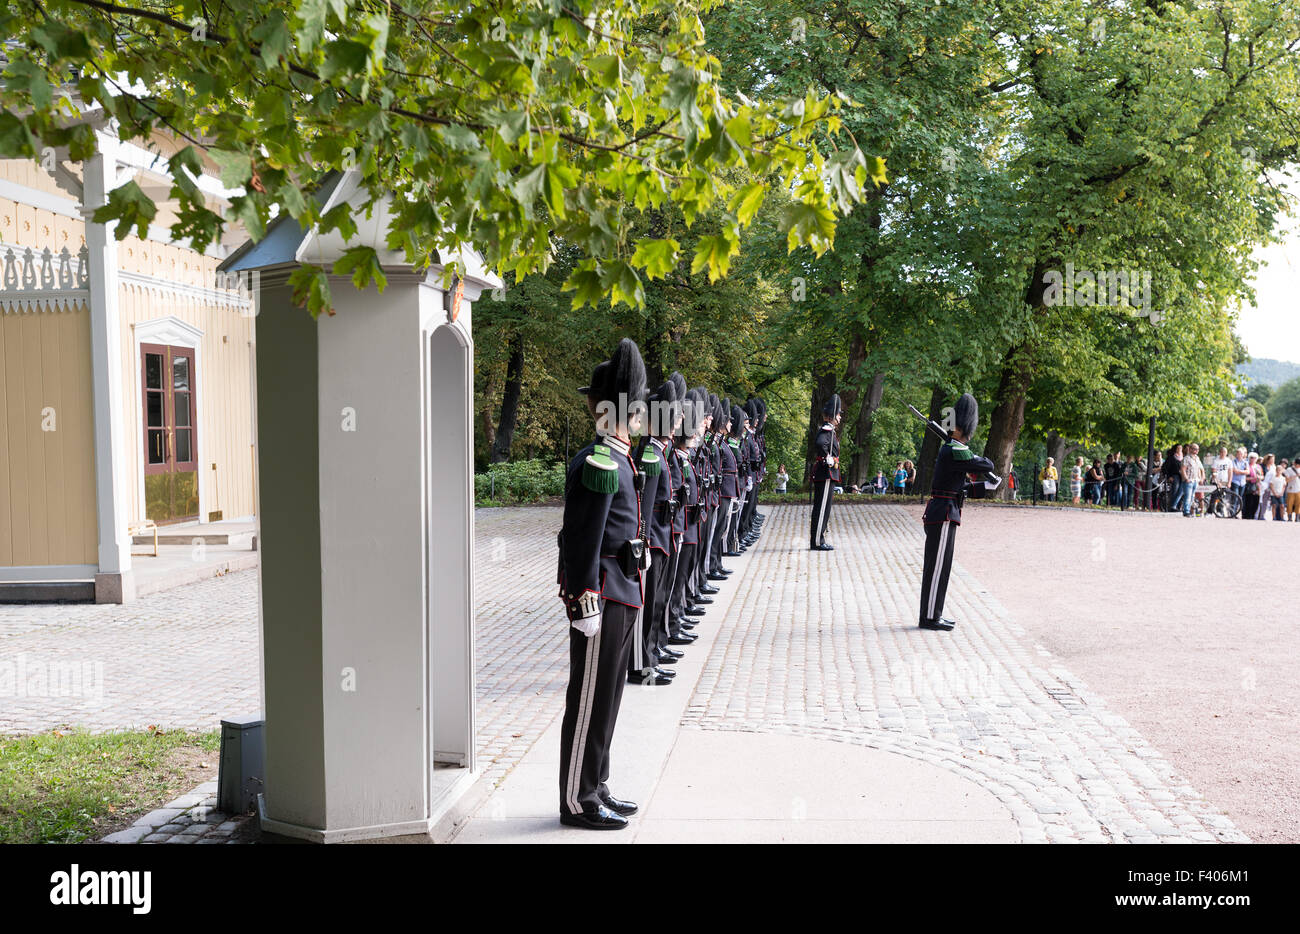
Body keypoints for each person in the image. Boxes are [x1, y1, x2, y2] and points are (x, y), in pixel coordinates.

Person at [557, 338, 648, 829]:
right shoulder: (598, 460)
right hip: (603, 593)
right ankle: (577, 797)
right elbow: (580, 539)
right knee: (590, 695)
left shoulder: (619, 456)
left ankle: (596, 782)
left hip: (623, 589)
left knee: (607, 697)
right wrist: (582, 597)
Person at [918, 393, 996, 631]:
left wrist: (986, 487)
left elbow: (958, 488)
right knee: (937, 568)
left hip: (946, 511)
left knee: (942, 567)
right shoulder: (954, 450)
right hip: (943, 514)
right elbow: (988, 465)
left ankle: (934, 613)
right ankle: (930, 617)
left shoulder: (952, 449)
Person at [629, 378, 681, 687]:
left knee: (657, 602)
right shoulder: (650, 452)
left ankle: (651, 657)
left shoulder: (658, 451)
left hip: (663, 534)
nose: (675, 426)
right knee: (647, 607)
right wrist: (645, 541)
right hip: (654, 536)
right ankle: (641, 666)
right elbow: (645, 507)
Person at [810, 394, 842, 550]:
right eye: (838, 414)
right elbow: (820, 443)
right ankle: (817, 541)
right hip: (825, 473)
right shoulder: (827, 430)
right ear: (832, 416)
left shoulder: (831, 431)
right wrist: (826, 457)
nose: (840, 417)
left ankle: (820, 538)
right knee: (822, 508)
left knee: (825, 508)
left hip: (828, 474)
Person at [1256, 454, 1276, 520]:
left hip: (1269, 486)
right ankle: (1257, 515)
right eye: (1271, 459)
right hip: (1261, 485)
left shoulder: (1273, 467)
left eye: (1273, 459)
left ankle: (1262, 515)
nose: (1272, 461)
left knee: (1265, 502)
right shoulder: (1262, 466)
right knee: (1259, 501)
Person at [1242, 451, 1262, 520]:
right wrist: (1252, 478)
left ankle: (1253, 516)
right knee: (1248, 502)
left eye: (1254, 458)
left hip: (1257, 486)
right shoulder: (1246, 466)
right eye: (1251, 458)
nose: (1253, 459)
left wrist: (1260, 478)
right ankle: (1247, 516)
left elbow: (1262, 476)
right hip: (1249, 486)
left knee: (1256, 502)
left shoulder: (1258, 466)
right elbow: (1244, 477)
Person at [1285, 456, 1300, 521]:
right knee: (1289, 504)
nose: (1298, 466)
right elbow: (1287, 480)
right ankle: (1289, 517)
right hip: (1291, 489)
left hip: (1299, 489)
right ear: (1294, 463)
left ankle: (1297, 517)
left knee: (1298, 504)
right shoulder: (1289, 469)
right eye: (1297, 465)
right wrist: (1295, 476)